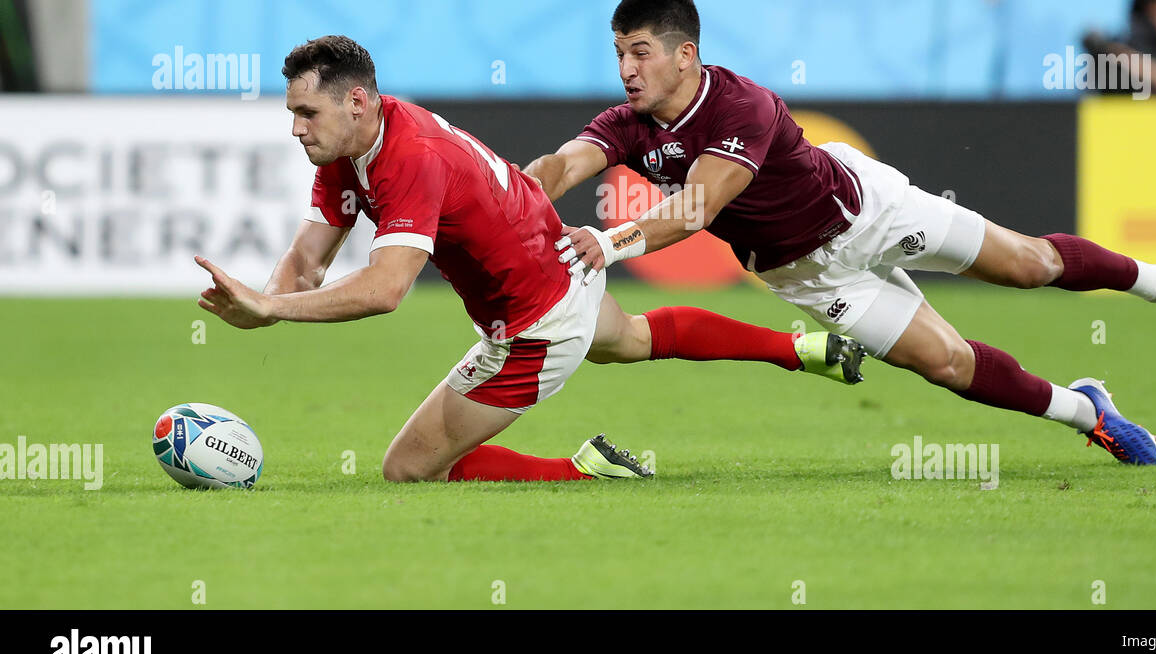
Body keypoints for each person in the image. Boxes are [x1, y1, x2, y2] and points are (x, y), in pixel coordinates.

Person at [526, 0, 1156, 467]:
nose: (625, 67)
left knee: (1029, 264)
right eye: (619, 52)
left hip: (869, 211)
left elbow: (699, 205)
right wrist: (514, 193)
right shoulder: (627, 124)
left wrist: (611, 241)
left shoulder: (742, 106)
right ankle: (1083, 409)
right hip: (805, 273)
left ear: (685, 53)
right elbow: (566, 162)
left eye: (640, 51)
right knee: (948, 364)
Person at [195, 35, 864, 484]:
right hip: (559, 262)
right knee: (629, 338)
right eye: (292, 112)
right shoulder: (345, 151)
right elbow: (306, 261)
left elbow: (386, 288)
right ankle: (800, 348)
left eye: (307, 111)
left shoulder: (409, 157)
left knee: (407, 468)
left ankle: (586, 474)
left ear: (358, 101)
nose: (295, 127)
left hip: (536, 321)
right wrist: (264, 303)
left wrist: (274, 306)